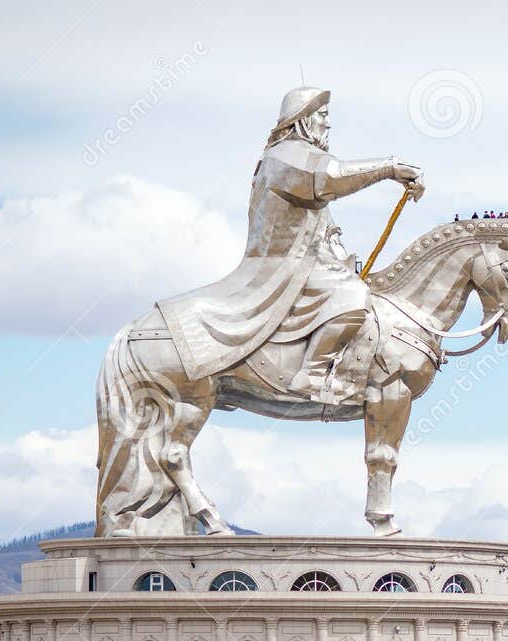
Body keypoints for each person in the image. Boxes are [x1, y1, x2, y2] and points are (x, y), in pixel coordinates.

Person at [157, 87, 425, 406]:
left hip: (305, 261)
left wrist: (342, 256)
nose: (328, 125)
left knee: (352, 286)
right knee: (352, 296)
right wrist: (390, 167)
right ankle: (310, 374)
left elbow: (326, 225)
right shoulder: (288, 156)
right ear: (303, 120)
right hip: (284, 266)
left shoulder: (300, 160)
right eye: (323, 116)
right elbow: (332, 178)